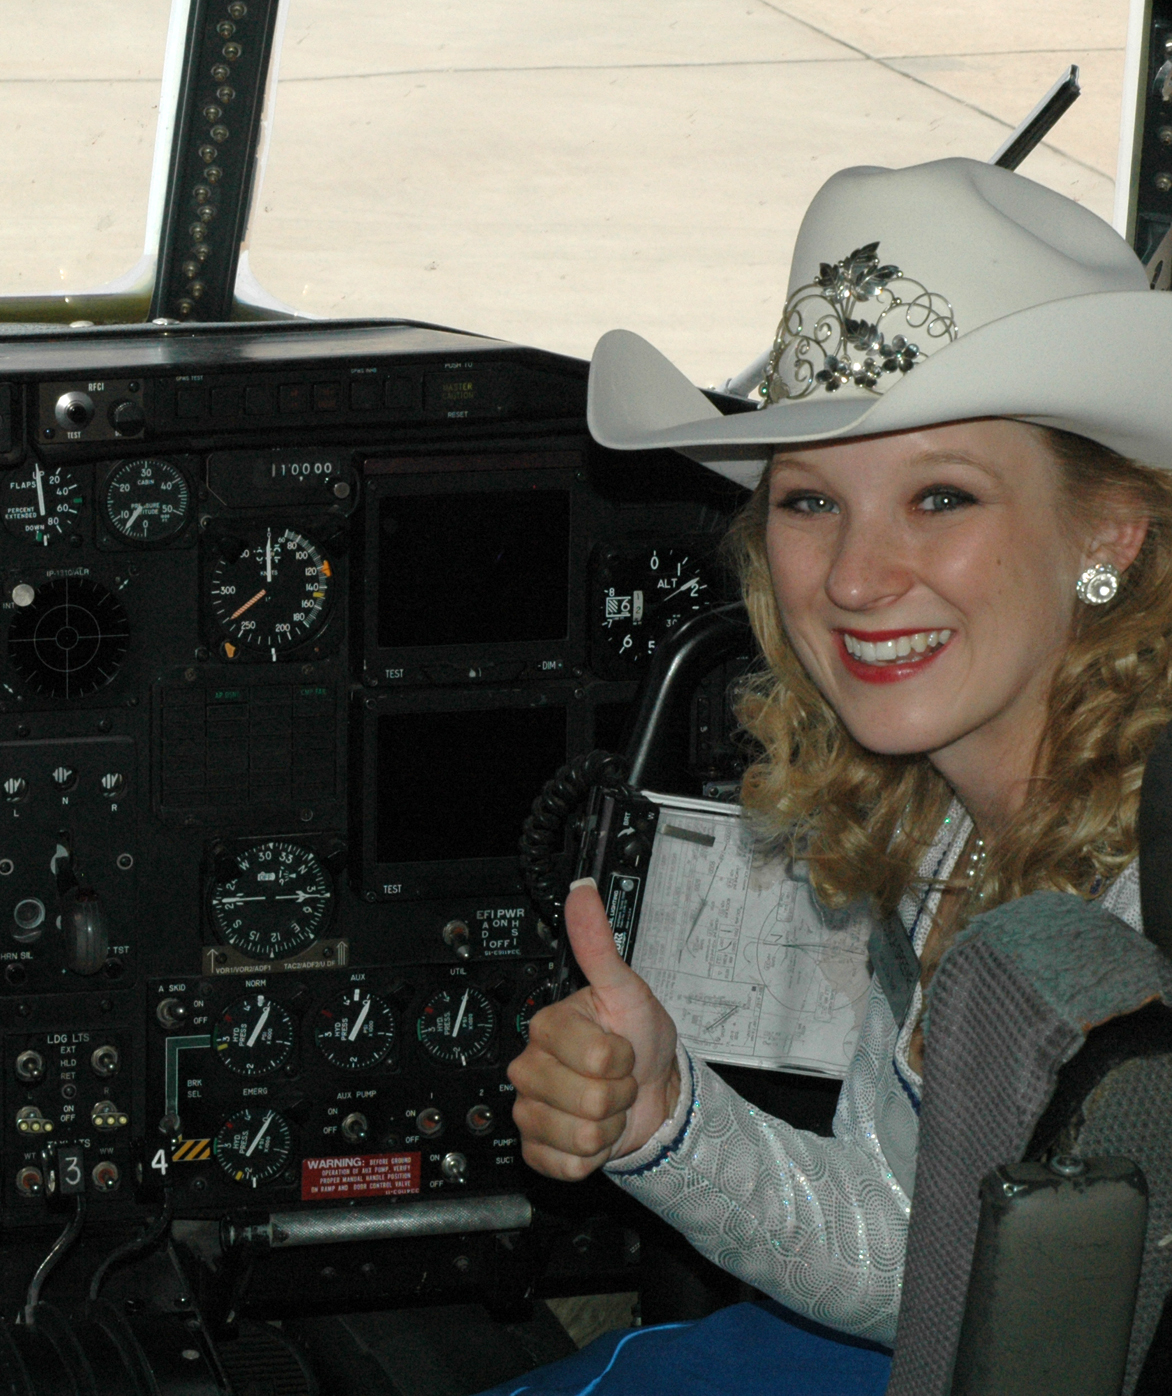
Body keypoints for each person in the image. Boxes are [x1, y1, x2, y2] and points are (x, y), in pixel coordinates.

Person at [496, 157, 1172, 1393]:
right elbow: (941, 1267)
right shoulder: (935, 836)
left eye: (940, 496)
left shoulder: (1154, 878)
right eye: (811, 502)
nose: (856, 579)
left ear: (1109, 531)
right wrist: (666, 1120)